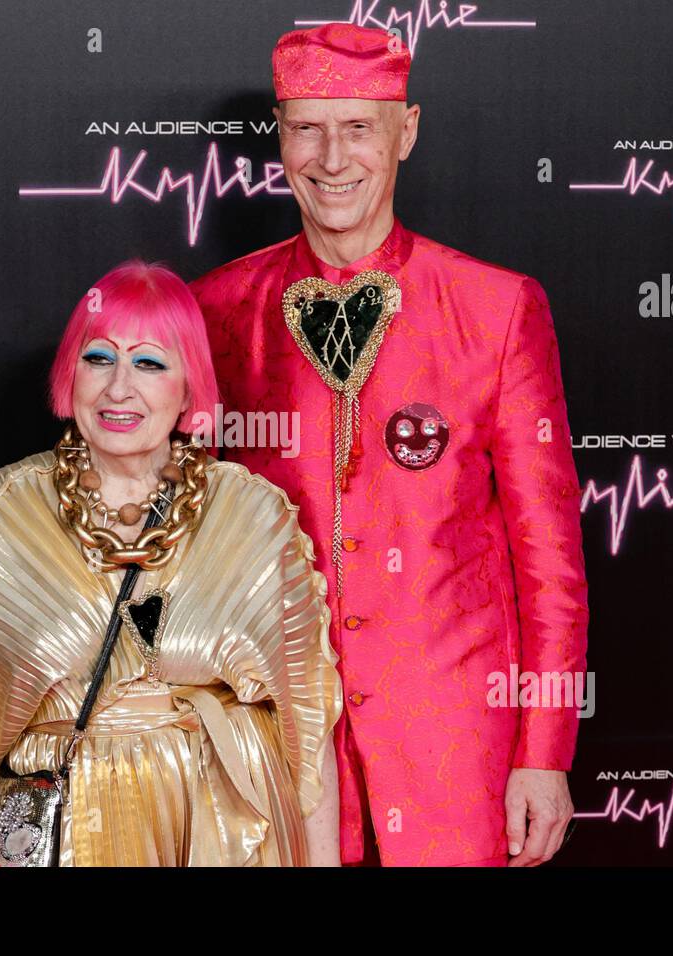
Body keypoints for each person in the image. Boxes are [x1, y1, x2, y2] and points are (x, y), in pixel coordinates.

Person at [189, 23, 589, 867]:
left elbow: (549, 558)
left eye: (359, 126)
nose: (332, 157)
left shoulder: (498, 308)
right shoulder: (215, 310)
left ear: (405, 131)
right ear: (280, 134)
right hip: (275, 746)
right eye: (307, 127)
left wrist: (545, 752)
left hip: (455, 746)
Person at [0, 260, 343, 866]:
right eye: (99, 357)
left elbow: (309, 723)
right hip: (70, 833)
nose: (118, 387)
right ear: (70, 372)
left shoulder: (252, 513)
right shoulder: (1, 515)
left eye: (149, 362)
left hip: (229, 834)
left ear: (189, 386)